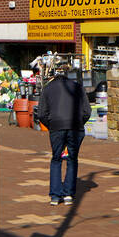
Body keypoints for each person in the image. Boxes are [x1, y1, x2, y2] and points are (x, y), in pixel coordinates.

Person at [35, 57, 90, 205]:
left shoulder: (48, 88)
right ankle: (68, 194)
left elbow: (41, 114)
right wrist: (79, 122)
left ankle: (55, 195)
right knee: (72, 159)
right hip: (75, 127)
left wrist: (51, 124)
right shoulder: (77, 87)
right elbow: (87, 111)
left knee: (56, 159)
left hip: (56, 127)